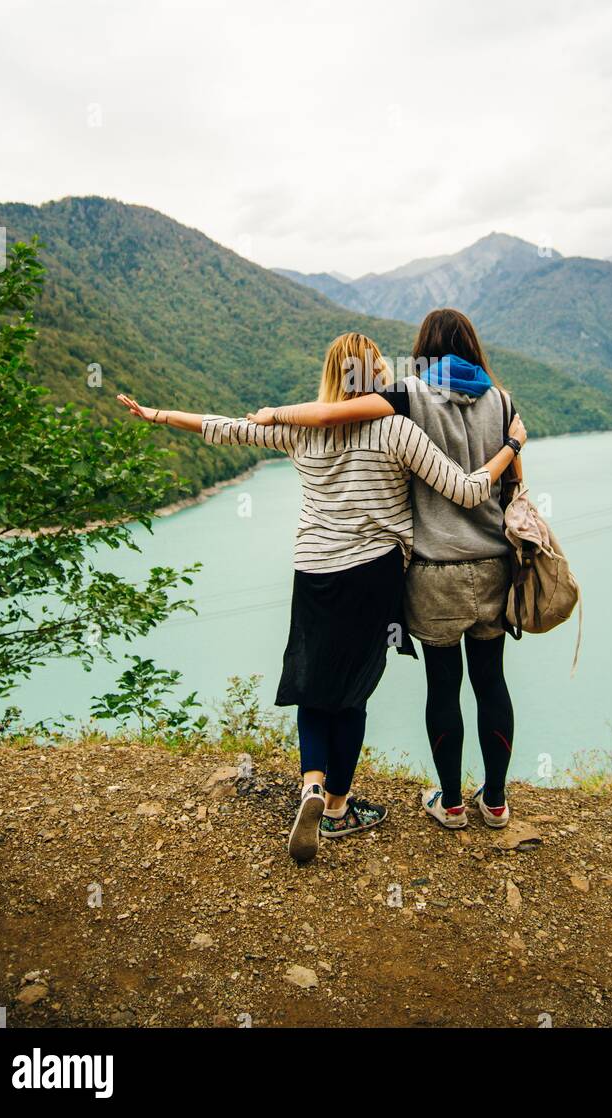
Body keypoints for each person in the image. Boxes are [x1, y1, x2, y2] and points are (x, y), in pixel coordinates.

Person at [117, 329, 526, 863]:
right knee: (353, 691)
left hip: (312, 569)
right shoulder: (396, 429)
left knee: (312, 685)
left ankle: (312, 784)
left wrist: (160, 415)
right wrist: (511, 447)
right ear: (378, 373)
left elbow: (226, 429)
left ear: (330, 375)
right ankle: (338, 806)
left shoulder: (299, 431)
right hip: (374, 574)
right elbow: (468, 490)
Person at [248, 308, 524, 831]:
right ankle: (495, 802)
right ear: (472, 345)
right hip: (493, 564)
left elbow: (330, 415)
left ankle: (451, 804)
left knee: (443, 685)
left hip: (435, 569)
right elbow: (511, 485)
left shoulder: (408, 395)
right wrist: (512, 447)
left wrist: (272, 414)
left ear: (423, 348)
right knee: (492, 681)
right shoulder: (503, 400)